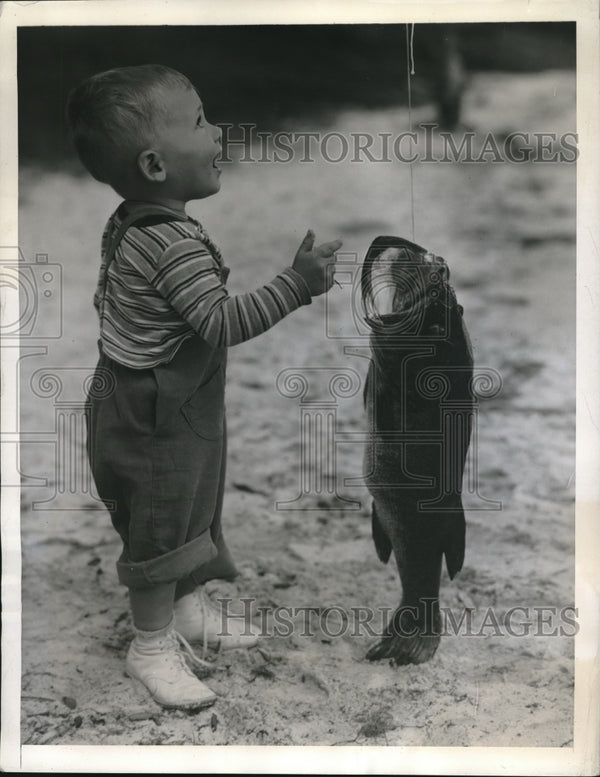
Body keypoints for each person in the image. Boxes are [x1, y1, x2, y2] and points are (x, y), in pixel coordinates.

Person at [66, 64, 342, 710]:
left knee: (189, 507)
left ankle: (186, 610)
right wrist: (296, 286)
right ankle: (151, 645)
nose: (217, 131)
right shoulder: (169, 245)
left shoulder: (135, 219)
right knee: (160, 525)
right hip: (152, 411)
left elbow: (111, 299)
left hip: (153, 400)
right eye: (199, 122)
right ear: (157, 166)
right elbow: (222, 322)